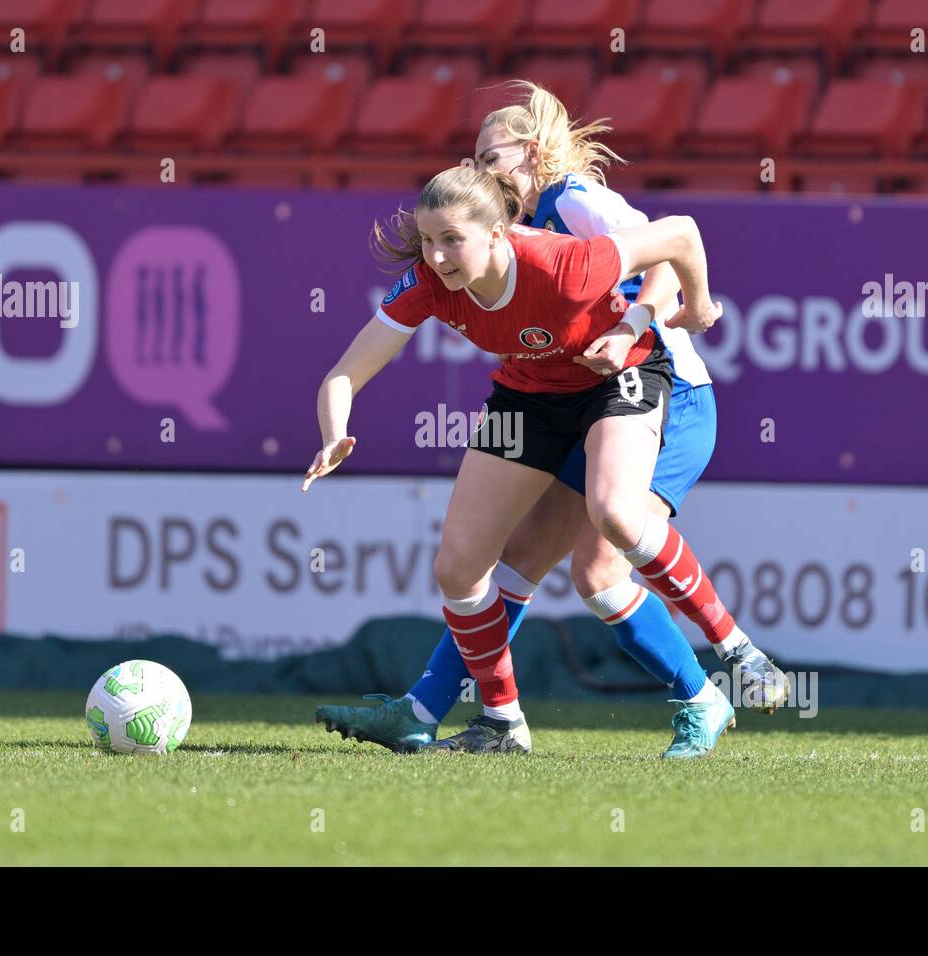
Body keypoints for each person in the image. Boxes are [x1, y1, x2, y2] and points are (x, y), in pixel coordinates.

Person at [315, 83, 787, 755]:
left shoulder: (571, 211)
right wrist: (335, 431)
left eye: (490, 157)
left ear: (530, 154)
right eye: (471, 160)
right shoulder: (451, 260)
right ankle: (458, 715)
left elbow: (669, 248)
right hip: (546, 393)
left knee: (606, 547)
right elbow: (347, 370)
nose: (478, 171)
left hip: (656, 383)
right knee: (500, 564)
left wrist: (645, 321)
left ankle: (731, 663)